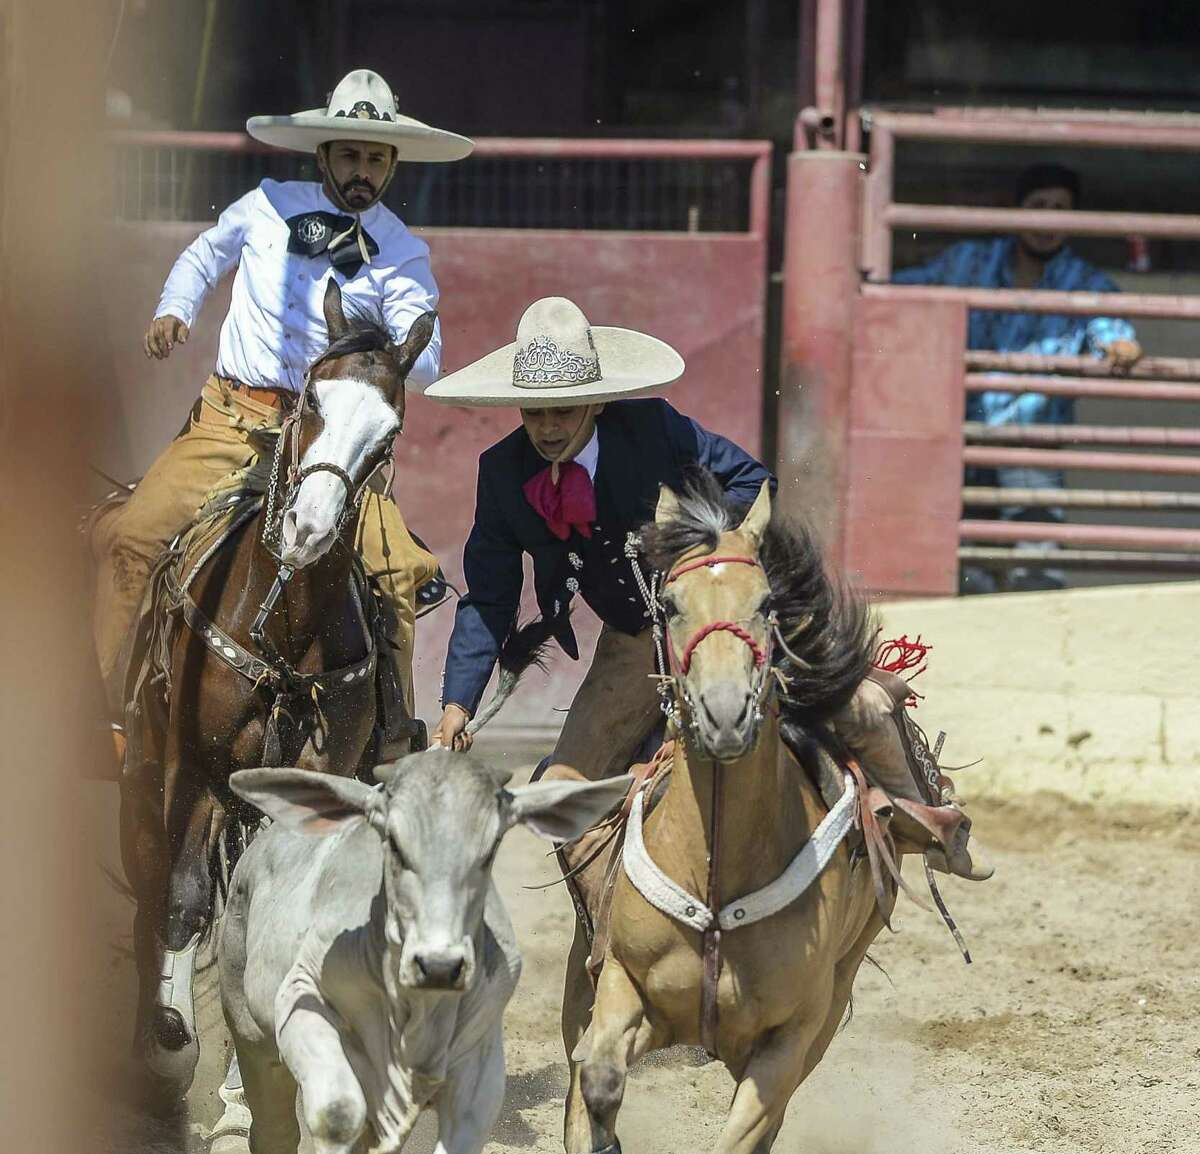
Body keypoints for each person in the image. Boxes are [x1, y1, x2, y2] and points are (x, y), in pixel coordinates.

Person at [424, 296, 991, 882]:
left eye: (562, 411)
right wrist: (455, 707)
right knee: (558, 801)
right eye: (533, 412)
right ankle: (609, 935)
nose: (546, 428)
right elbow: (489, 596)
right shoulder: (501, 472)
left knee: (864, 709)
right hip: (635, 641)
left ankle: (930, 822)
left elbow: (752, 480)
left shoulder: (654, 429)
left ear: (594, 402)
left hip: (729, 612)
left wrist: (692, 541)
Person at [91, 68, 473, 726]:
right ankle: (108, 716)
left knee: (396, 576)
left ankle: (391, 735)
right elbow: (204, 256)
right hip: (232, 425)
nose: (363, 169)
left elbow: (426, 356)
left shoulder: (403, 254)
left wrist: (382, 347)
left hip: (334, 445)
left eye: (376, 158)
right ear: (322, 154)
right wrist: (175, 308)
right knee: (131, 537)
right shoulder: (265, 202)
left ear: (392, 165)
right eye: (349, 154)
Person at [895, 162, 1141, 593]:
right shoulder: (968, 262)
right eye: (1038, 206)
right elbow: (899, 291)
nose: (1047, 220)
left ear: (1074, 220)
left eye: (1060, 209)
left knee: (1035, 565)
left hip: (1033, 442)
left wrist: (1122, 346)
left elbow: (1111, 329)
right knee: (966, 563)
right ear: (1016, 211)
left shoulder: (1085, 281)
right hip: (964, 435)